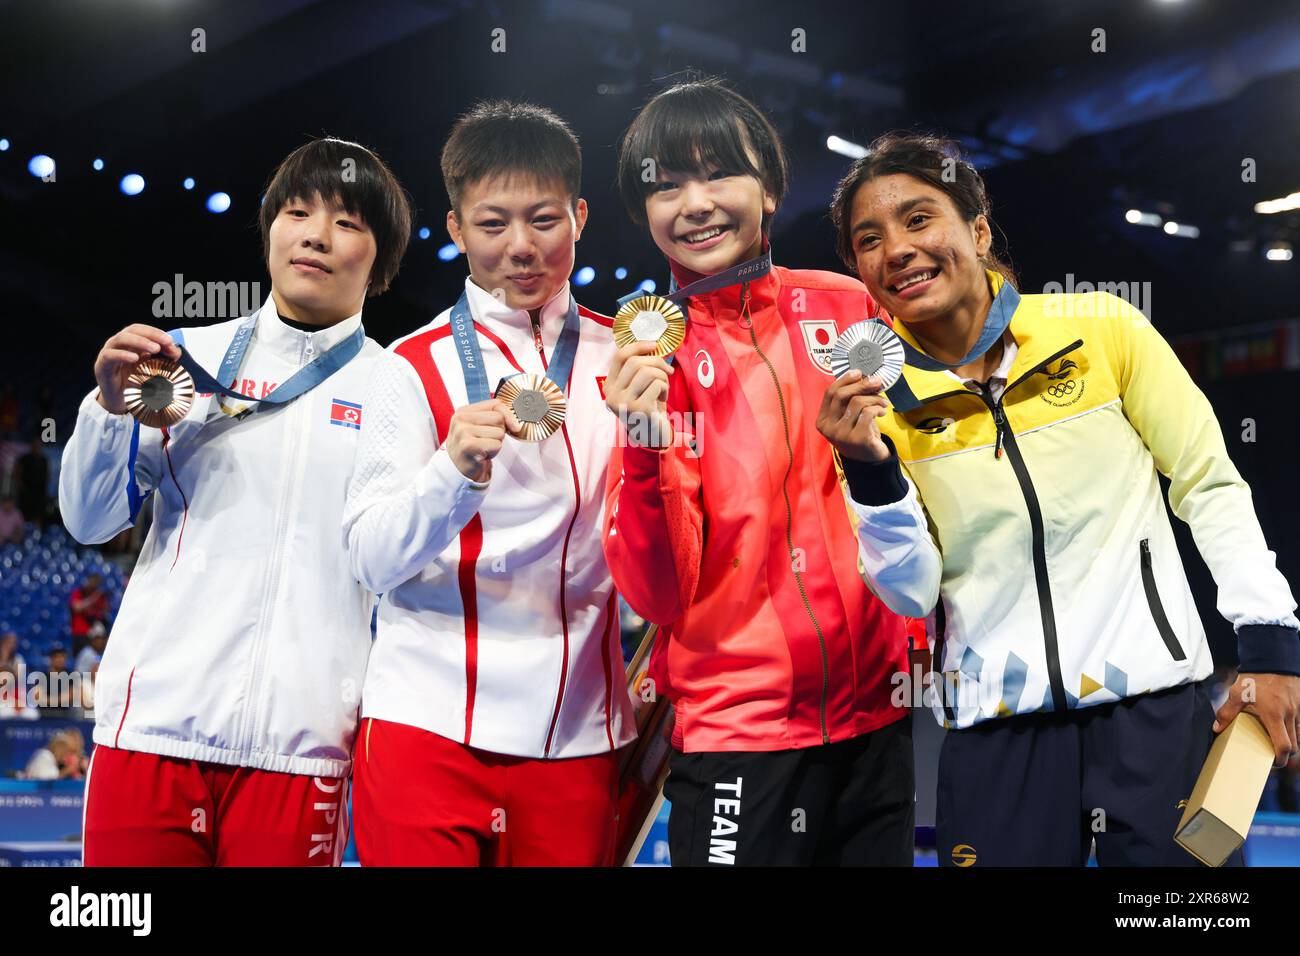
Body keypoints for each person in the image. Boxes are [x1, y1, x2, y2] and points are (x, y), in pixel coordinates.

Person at [824, 131, 1300, 866]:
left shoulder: (1100, 328)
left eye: (919, 219)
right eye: (869, 238)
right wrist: (869, 472)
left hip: (1151, 711)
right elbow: (912, 594)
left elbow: (1209, 484)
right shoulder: (877, 406)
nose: (898, 249)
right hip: (995, 734)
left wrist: (1270, 646)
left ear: (978, 230)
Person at [58, 136, 412, 866]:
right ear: (269, 229)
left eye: (348, 222)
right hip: (152, 734)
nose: (316, 234)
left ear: (381, 258)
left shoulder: (400, 390)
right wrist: (105, 408)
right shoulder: (180, 360)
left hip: (302, 748)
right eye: (297, 211)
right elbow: (91, 522)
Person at [602, 77, 927, 866]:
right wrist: (645, 449)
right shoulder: (648, 358)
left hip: (877, 722)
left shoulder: (847, 308)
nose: (695, 202)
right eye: (668, 185)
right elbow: (655, 593)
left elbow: (921, 480)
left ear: (772, 189)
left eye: (719, 174)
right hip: (739, 735)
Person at [344, 101, 634, 866]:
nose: (520, 247)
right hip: (424, 729)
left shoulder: (630, 361)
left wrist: (660, 436)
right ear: (455, 230)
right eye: (492, 223)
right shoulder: (408, 366)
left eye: (543, 220)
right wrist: (451, 472)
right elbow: (370, 559)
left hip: (578, 735)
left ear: (579, 216)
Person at [68, 573, 108, 657]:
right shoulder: (78, 593)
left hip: (94, 634)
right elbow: (76, 607)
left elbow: (104, 611)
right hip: (80, 633)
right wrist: (93, 598)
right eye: (91, 580)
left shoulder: (99, 595)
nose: (93, 583)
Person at [15, 436, 48, 528]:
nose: (37, 447)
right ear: (32, 446)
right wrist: (21, 486)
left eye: (39, 445)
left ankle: (37, 534)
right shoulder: (24, 458)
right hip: (26, 492)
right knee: (24, 514)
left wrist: (45, 489)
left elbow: (47, 475)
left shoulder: (44, 460)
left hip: (39, 492)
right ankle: (23, 533)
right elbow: (17, 472)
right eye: (35, 445)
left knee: (39, 514)